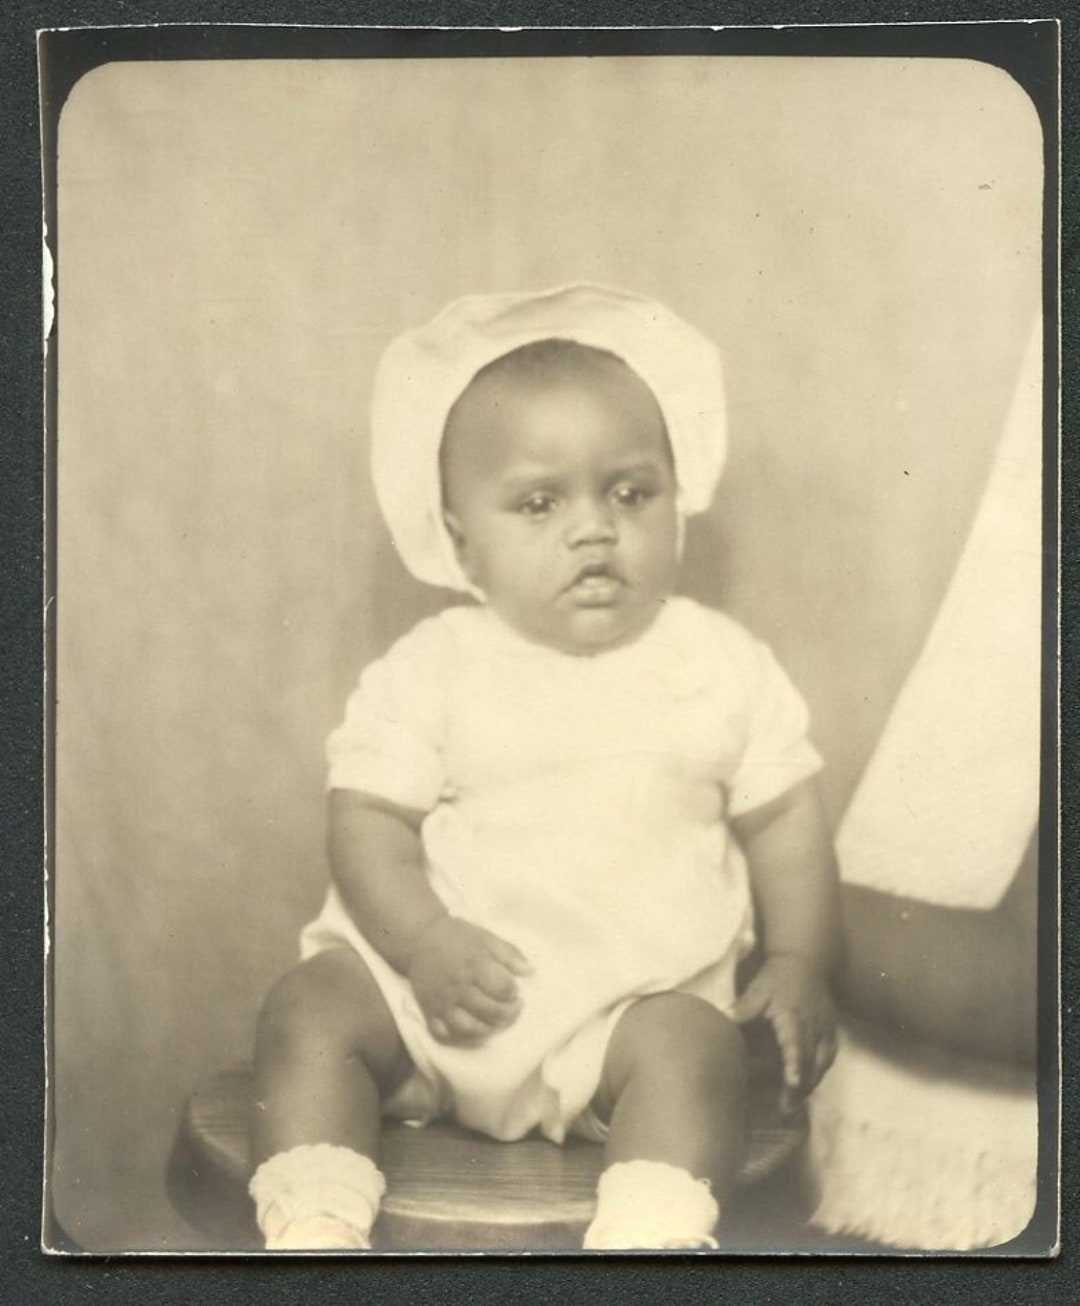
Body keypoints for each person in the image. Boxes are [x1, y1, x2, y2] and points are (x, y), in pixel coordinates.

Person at [247, 285, 840, 1252]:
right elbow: (366, 820)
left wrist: (801, 960)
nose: (593, 528)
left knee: (697, 1051)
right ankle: (314, 1223)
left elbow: (786, 822)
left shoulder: (720, 663)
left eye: (630, 492)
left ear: (679, 500)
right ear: (460, 539)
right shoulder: (436, 666)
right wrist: (424, 940)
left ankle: (650, 1233)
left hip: (618, 1024)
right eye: (538, 502)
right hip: (432, 1005)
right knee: (308, 1008)